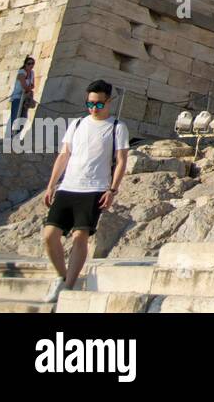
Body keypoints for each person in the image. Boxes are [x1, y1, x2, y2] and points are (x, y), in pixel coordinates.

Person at [40, 80, 129, 302]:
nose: (93, 108)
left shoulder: (117, 127)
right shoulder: (77, 124)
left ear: (109, 102)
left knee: (80, 236)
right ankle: (62, 277)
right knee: (49, 236)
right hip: (68, 186)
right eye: (90, 104)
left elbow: (121, 160)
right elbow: (64, 155)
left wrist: (112, 190)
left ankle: (69, 288)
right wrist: (51, 184)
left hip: (94, 189)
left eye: (99, 104)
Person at [9, 55, 36, 136]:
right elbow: (24, 85)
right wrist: (28, 89)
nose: (31, 65)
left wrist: (28, 89)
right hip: (17, 98)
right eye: (29, 63)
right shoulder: (21, 72)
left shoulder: (32, 73)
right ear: (25, 64)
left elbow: (32, 85)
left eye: (32, 64)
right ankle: (12, 137)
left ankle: (16, 135)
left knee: (23, 118)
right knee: (15, 118)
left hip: (25, 98)